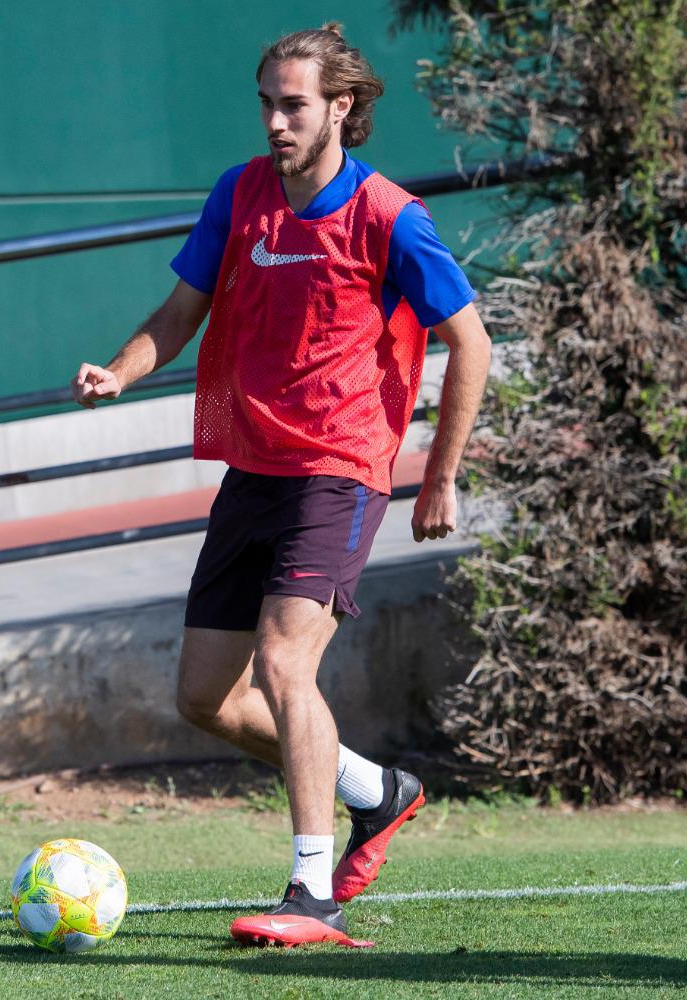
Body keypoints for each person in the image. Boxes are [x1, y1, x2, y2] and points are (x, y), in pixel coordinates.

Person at [72, 23, 491, 947]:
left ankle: (313, 893)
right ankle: (376, 792)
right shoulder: (241, 194)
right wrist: (120, 369)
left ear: (341, 108)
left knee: (284, 663)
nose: (274, 120)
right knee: (203, 698)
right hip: (253, 467)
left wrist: (440, 476)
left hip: (339, 469)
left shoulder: (389, 215)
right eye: (266, 101)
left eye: (292, 103)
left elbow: (472, 342)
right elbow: (182, 310)